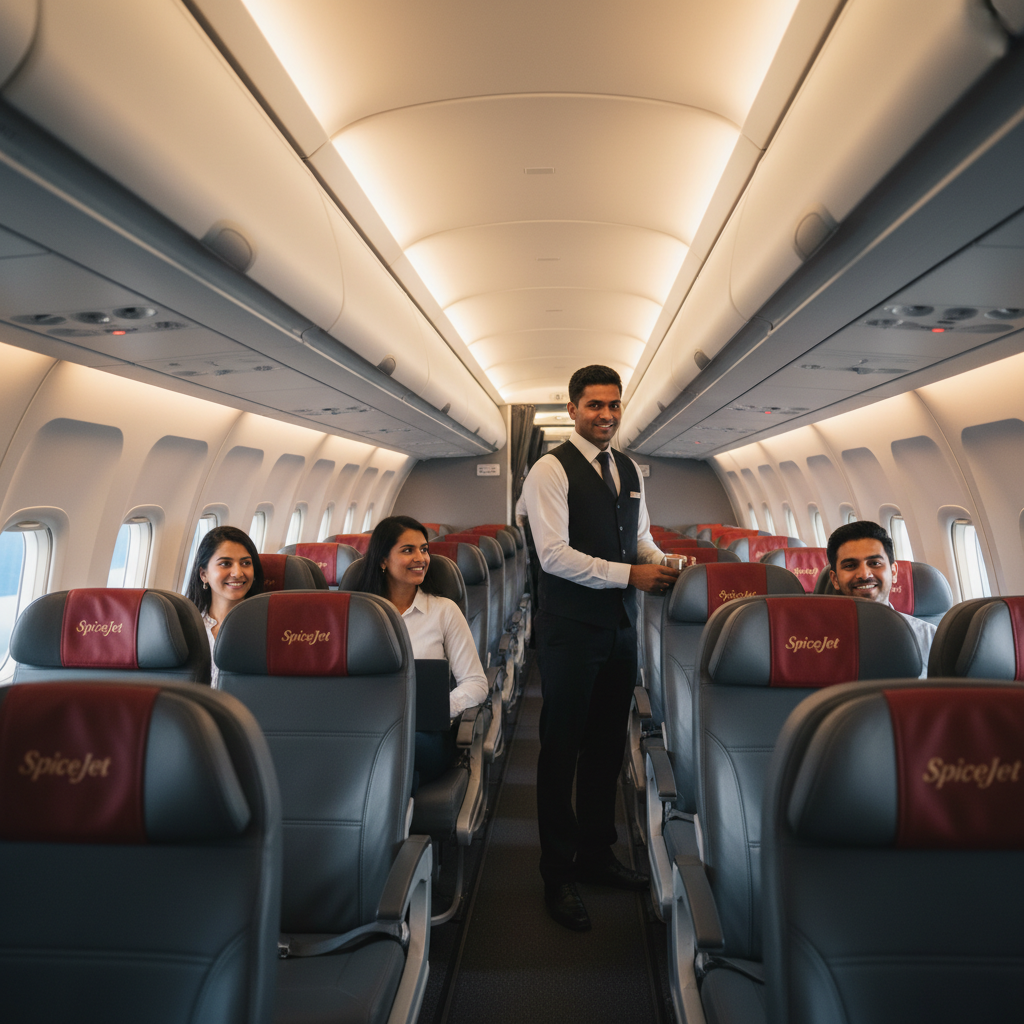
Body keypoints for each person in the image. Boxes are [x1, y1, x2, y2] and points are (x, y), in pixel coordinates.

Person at [521, 364, 679, 931]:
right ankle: (556, 873)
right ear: (573, 410)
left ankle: (595, 853)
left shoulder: (629, 467)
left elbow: (639, 536)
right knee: (562, 748)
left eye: (614, 405)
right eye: (595, 406)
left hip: (617, 628)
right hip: (568, 630)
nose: (607, 415)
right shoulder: (550, 470)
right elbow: (554, 556)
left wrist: (660, 562)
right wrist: (629, 576)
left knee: (608, 746)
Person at [351, 515, 488, 786]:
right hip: (368, 729)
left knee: (397, 752)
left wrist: (439, 708)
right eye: (408, 550)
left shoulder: (444, 611)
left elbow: (476, 683)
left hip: (422, 734)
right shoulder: (358, 614)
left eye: (424, 549)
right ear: (382, 560)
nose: (421, 558)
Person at [826, 520, 935, 675]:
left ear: (894, 572)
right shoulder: (816, 641)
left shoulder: (930, 638)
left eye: (875, 563)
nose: (864, 574)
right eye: (850, 566)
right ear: (835, 579)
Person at [185, 525, 264, 687]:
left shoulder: (265, 627)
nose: (238, 573)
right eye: (225, 563)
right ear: (203, 574)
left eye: (246, 563)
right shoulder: (186, 628)